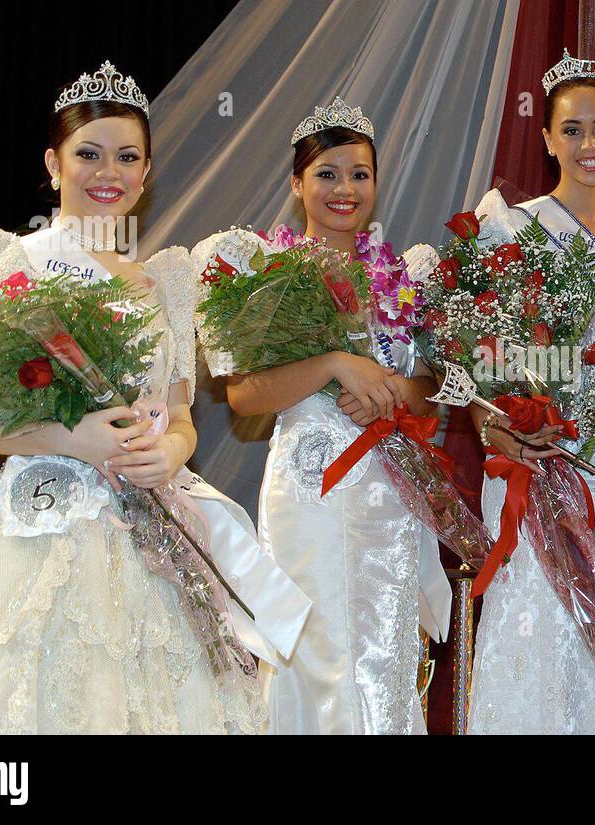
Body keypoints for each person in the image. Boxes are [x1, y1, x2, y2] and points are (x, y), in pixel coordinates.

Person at [0, 62, 305, 734]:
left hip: (148, 537)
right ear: (53, 164)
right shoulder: (6, 265)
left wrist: (169, 452)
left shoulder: (162, 280)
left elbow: (178, 418)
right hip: (38, 533)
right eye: (88, 153)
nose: (107, 171)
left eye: (126, 156)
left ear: (145, 173)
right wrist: (71, 438)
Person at [191, 98, 447, 734]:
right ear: (296, 184)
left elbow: (433, 395)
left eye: (359, 173)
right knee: (314, 651)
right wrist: (336, 364)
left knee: (386, 654)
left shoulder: (405, 276)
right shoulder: (265, 274)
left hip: (390, 490)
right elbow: (244, 397)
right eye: (327, 173)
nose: (345, 188)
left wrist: (387, 389)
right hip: (310, 488)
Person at [464, 51, 595, 734]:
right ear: (548, 137)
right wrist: (492, 426)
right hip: (531, 460)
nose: (590, 144)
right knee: (528, 632)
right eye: (574, 129)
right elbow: (472, 360)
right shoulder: (511, 228)